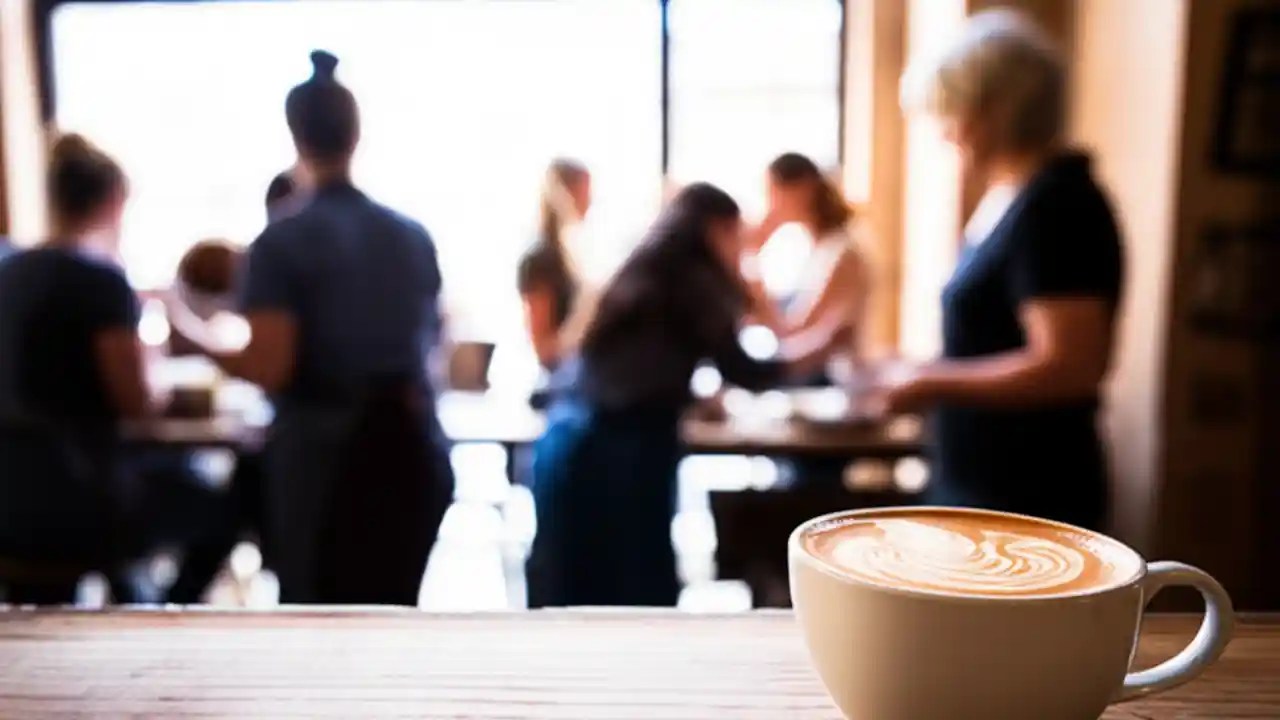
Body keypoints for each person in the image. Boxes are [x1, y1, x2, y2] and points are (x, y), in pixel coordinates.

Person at [173, 51, 453, 604]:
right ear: (356, 134)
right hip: (414, 456)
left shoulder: (283, 241)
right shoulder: (411, 235)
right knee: (394, 615)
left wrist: (194, 336)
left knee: (320, 626)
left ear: (295, 135)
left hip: (332, 468)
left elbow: (271, 365)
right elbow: (430, 348)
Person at [526, 183, 851, 608]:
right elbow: (746, 371)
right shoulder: (695, 281)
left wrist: (692, 395)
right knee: (634, 598)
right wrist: (823, 342)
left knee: (578, 596)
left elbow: (632, 362)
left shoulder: (643, 268)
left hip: (571, 442)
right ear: (716, 229)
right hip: (624, 453)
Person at [879, 10, 1124, 531]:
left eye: (954, 113)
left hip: (1030, 485)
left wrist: (932, 381)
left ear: (998, 108)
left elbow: (1068, 364)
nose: (946, 133)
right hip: (979, 475)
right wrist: (919, 367)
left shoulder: (1060, 203)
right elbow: (992, 340)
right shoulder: (1009, 197)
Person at [0, 135, 234, 603]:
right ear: (114, 202)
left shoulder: (9, 271)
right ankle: (163, 616)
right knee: (229, 507)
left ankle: (126, 602)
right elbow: (139, 403)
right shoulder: (100, 282)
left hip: (9, 496)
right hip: (78, 499)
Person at [746, 153, 868, 371]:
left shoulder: (841, 253)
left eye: (772, 192)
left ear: (803, 190)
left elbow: (796, 329)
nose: (768, 205)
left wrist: (752, 274)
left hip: (833, 378)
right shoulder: (813, 248)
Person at [517, 159, 593, 372]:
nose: (590, 201)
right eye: (585, 191)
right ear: (565, 193)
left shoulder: (570, 256)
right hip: (555, 387)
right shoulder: (540, 261)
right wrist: (583, 323)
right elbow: (542, 348)